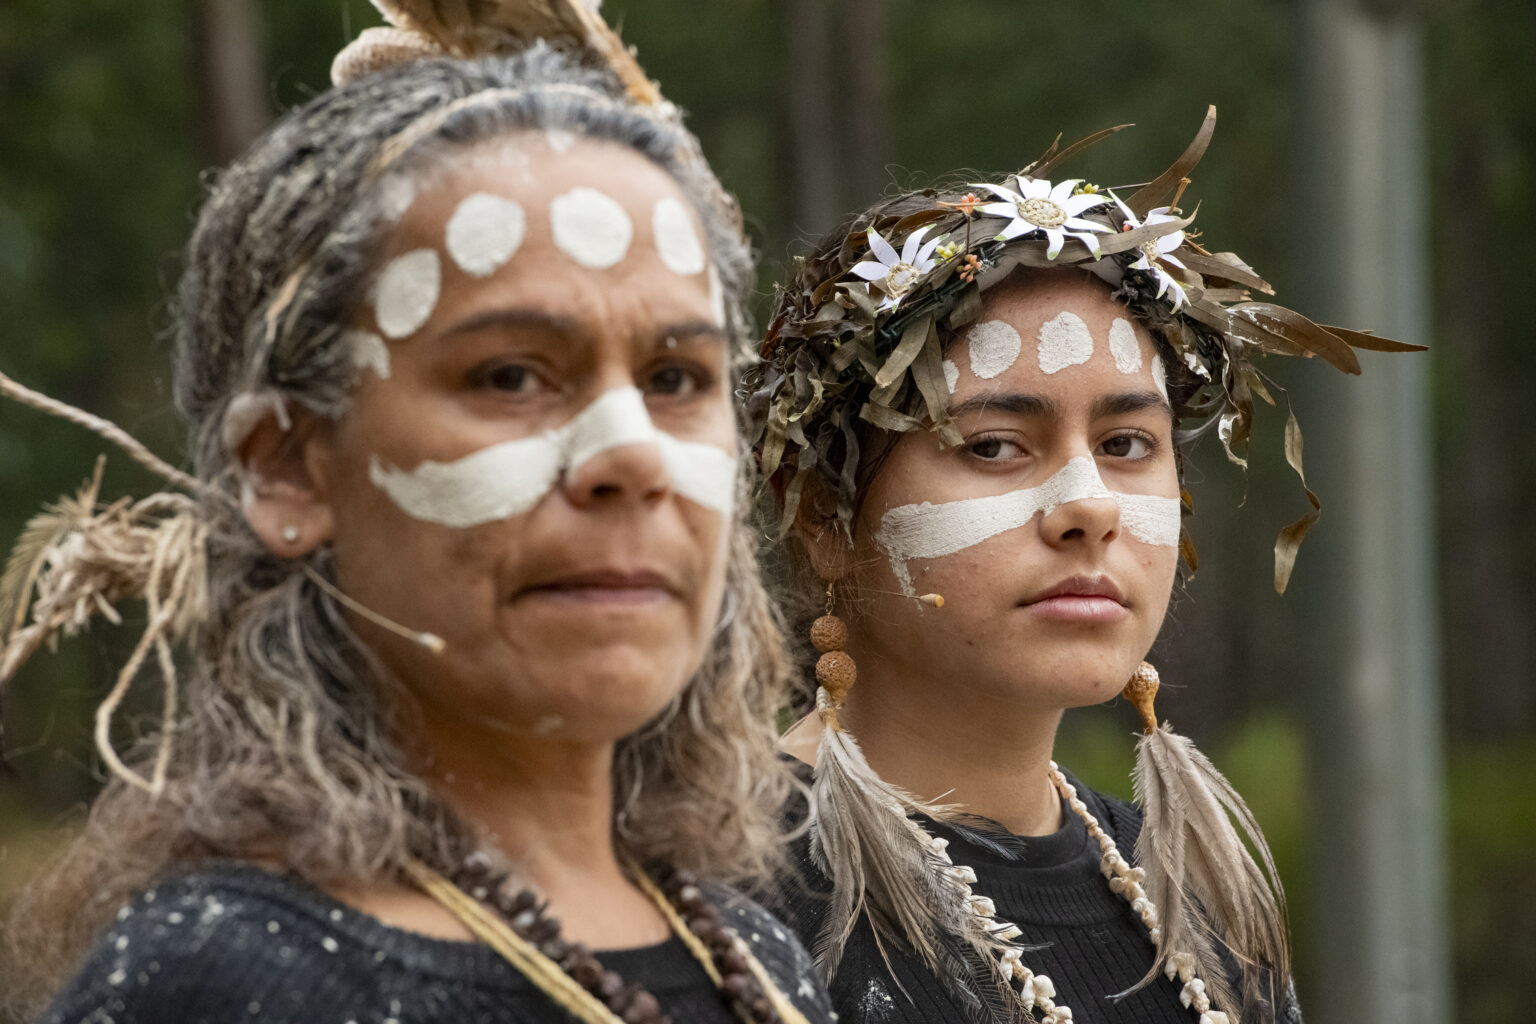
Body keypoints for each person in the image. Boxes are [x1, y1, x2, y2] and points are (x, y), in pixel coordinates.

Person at [0, 6, 834, 1023]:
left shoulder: (753, 955)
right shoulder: (224, 985)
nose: (631, 454)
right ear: (289, 469)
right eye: (511, 373)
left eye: (675, 376)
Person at [746, 112, 1418, 1024]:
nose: (1089, 505)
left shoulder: (1202, 900)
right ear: (825, 514)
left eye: (1127, 441)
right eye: (992, 445)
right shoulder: (720, 893)